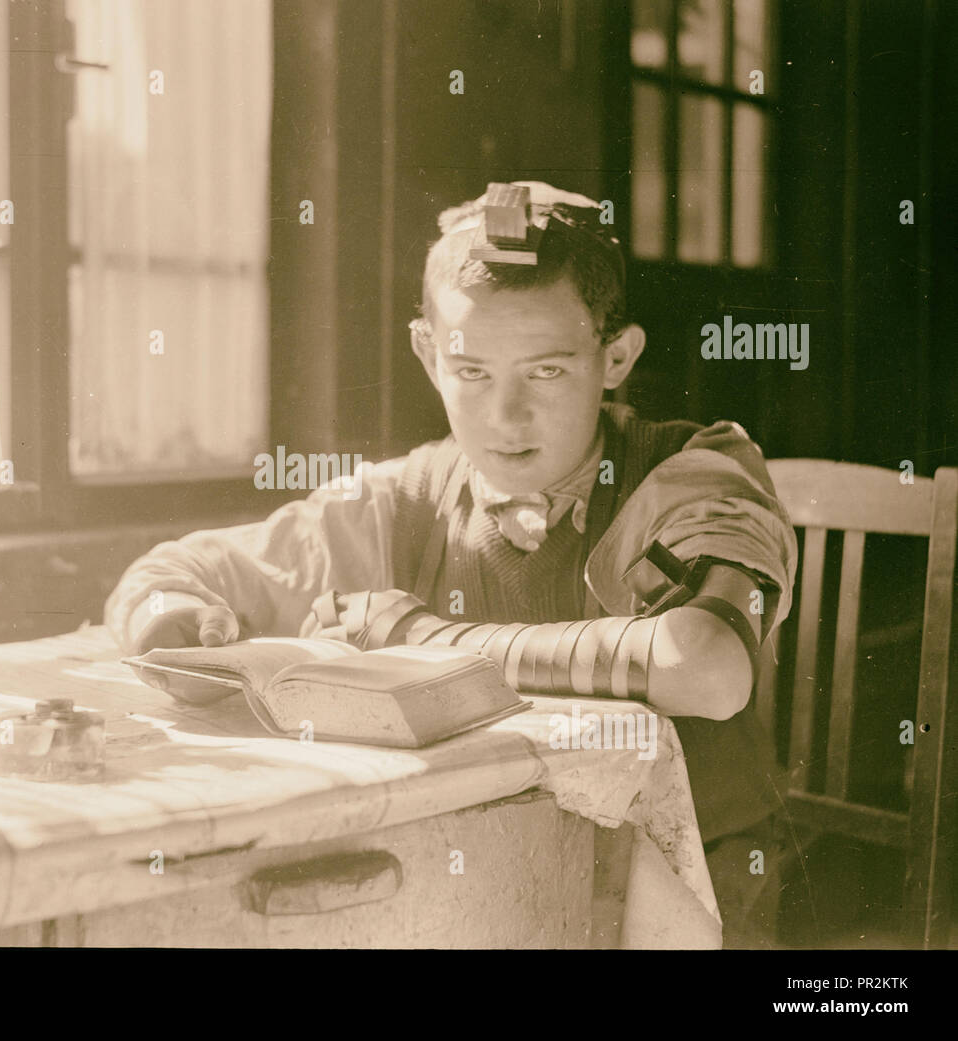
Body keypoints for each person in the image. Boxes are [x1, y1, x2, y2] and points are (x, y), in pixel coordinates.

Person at [104, 181, 805, 946]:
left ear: (616, 357)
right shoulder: (404, 497)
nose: (505, 418)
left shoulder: (694, 471)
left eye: (545, 372)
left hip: (684, 889)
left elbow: (707, 665)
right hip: (485, 884)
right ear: (428, 355)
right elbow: (167, 572)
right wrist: (171, 617)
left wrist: (423, 638)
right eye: (472, 372)